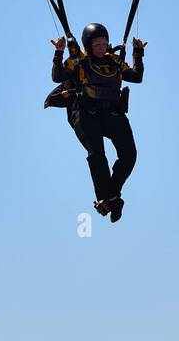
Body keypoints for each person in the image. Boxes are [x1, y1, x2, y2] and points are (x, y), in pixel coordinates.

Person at [51, 22, 146, 222]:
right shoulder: (78, 61)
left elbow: (136, 77)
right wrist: (59, 53)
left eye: (104, 43)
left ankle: (112, 197)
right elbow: (57, 76)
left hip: (111, 113)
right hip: (86, 112)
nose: (102, 47)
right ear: (88, 45)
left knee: (129, 154)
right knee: (97, 155)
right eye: (97, 44)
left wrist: (137, 52)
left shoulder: (114, 61)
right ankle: (107, 198)